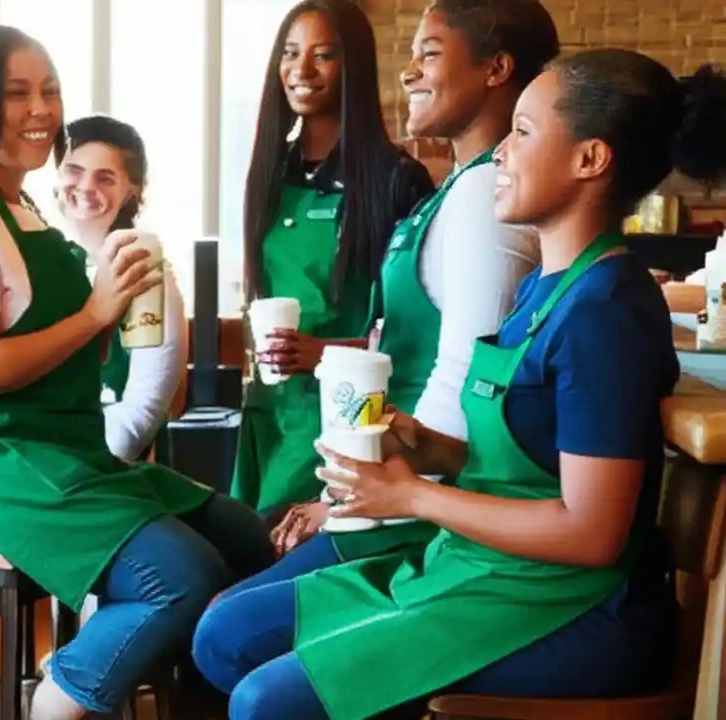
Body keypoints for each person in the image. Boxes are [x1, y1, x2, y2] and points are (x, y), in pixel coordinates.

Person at [194, 47, 726, 720]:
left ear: (590, 159)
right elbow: (528, 459)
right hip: (487, 568)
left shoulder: (605, 313)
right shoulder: (544, 287)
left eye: (524, 132)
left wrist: (413, 496)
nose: (500, 152)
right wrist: (424, 446)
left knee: (265, 702)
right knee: (223, 638)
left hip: (574, 605)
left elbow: (591, 532)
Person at [0, 25, 274, 720]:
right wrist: (98, 312)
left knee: (247, 542)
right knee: (181, 579)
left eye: (49, 90)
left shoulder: (25, 210)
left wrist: (125, 308)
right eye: (18, 93)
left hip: (69, 451)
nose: (42, 108)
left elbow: (74, 359)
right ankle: (44, 704)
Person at [249, 0, 555, 583]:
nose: (409, 71)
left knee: (222, 632)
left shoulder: (481, 196)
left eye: (429, 54)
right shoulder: (456, 191)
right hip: (387, 467)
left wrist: (356, 498)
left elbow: (462, 382)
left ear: (496, 70)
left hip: (419, 498)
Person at [231, 0, 435, 518]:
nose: (301, 71)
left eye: (323, 55)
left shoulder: (395, 181)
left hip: (344, 411)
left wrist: (324, 351)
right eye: (290, 53)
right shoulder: (270, 174)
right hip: (271, 411)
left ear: (355, 66)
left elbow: (413, 333)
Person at [55, 114, 188, 462]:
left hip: (117, 472)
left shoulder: (142, 266)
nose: (86, 187)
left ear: (133, 189)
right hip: (47, 463)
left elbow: (144, 410)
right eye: (74, 170)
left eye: (105, 178)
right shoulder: (42, 256)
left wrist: (87, 474)